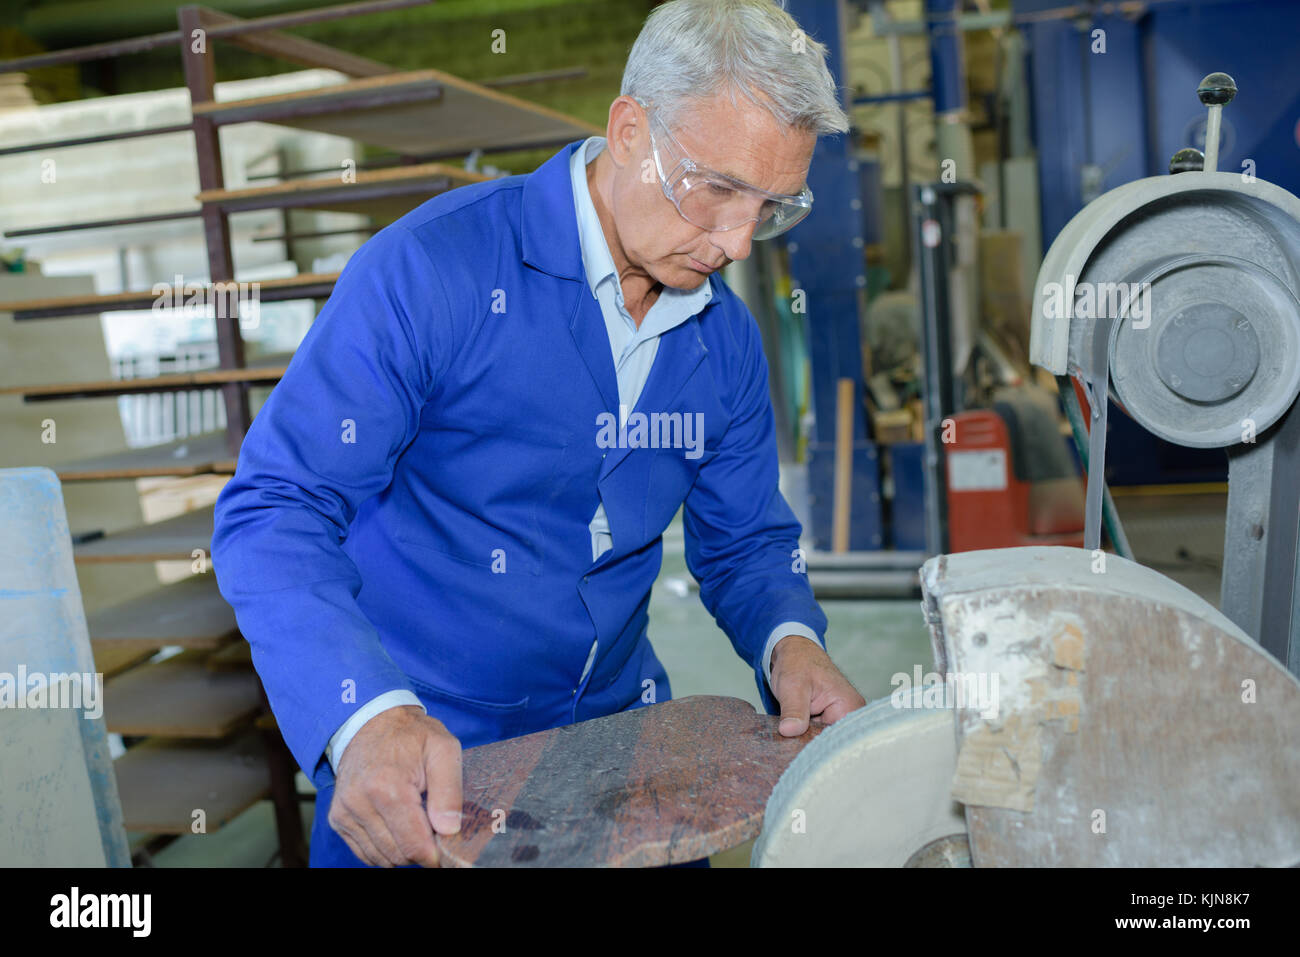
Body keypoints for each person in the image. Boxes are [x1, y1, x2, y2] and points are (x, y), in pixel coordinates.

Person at [212, 0, 866, 868]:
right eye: (716, 191)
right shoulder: (432, 273)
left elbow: (745, 541)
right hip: (427, 754)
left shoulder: (724, 338)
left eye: (773, 207)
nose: (740, 243)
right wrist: (361, 715)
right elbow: (275, 508)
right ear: (630, 130)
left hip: (623, 746)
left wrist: (793, 642)